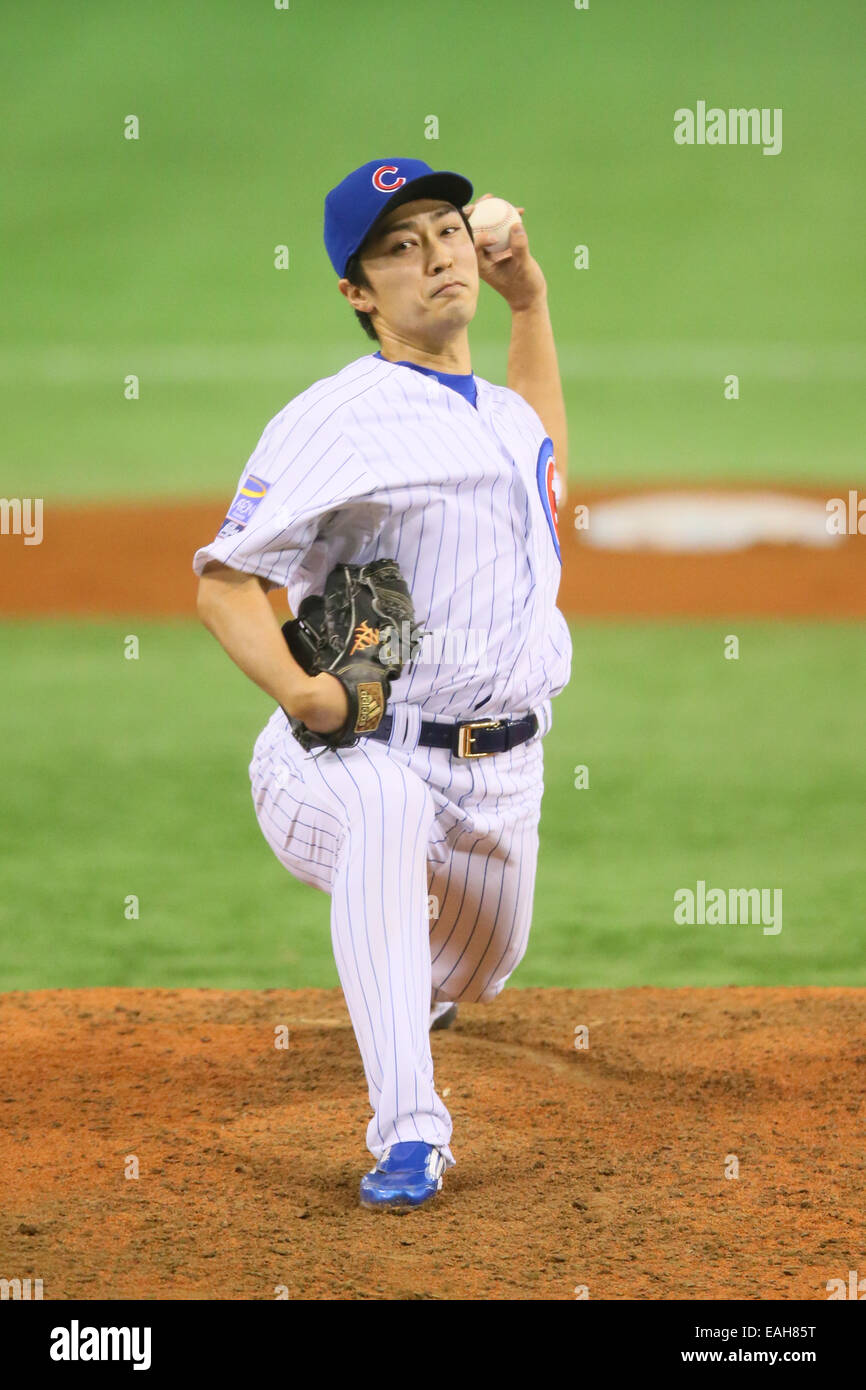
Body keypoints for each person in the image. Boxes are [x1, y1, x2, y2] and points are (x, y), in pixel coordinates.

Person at [194, 157, 572, 1210]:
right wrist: (307, 698)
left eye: (444, 231)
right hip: (350, 756)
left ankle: (422, 988)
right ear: (357, 293)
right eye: (398, 247)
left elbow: (541, 461)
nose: (435, 255)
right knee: (388, 809)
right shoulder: (338, 416)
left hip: (501, 776)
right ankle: (409, 1132)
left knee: (481, 966)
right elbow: (225, 585)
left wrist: (529, 301)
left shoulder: (494, 412)